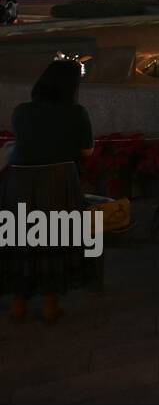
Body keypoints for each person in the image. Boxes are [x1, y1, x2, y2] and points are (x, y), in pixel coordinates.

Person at [2, 58, 99, 324]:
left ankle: (18, 304)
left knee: (22, 239)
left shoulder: (21, 111)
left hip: (19, 181)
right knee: (54, 238)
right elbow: (86, 151)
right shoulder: (77, 113)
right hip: (58, 179)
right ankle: (50, 304)